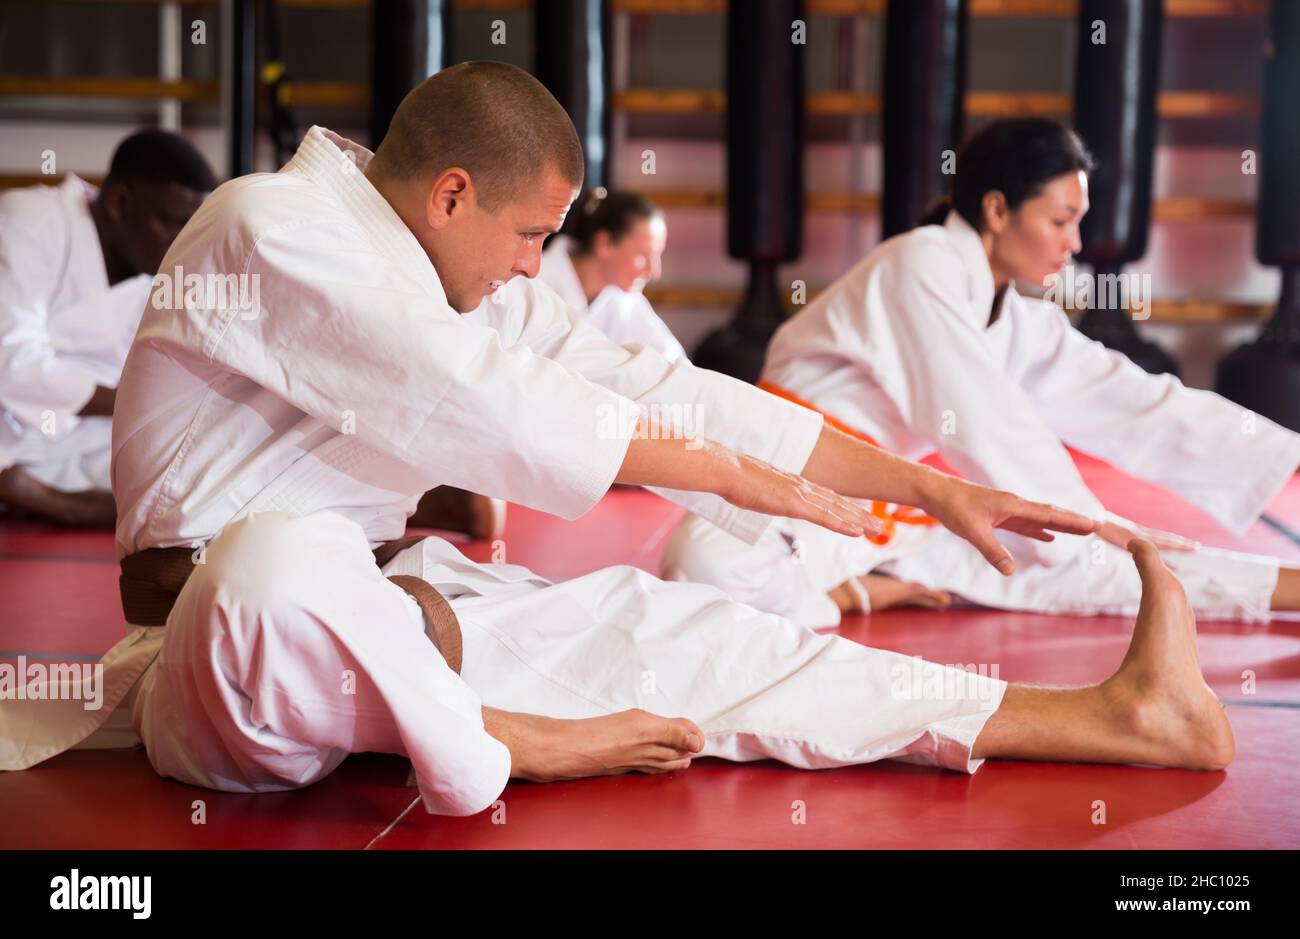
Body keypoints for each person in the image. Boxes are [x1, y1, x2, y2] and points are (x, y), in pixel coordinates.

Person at [0, 67, 1232, 818]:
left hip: (403, 615)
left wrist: (922, 484)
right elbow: (475, 396)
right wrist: (741, 481)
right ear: (451, 196)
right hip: (232, 664)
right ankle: (496, 743)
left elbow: (663, 385)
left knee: (686, 629)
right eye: (534, 237)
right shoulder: (266, 224)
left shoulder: (466, 274)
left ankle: (1102, 718)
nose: (541, 269)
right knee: (268, 567)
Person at [662, 118, 1300, 629]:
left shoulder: (1016, 320)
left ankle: (1291, 589)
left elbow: (1138, 400)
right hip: (795, 495)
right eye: (1060, 220)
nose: (1074, 244)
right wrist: (1088, 518)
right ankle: (853, 592)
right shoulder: (918, 265)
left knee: (1092, 567)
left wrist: (1286, 455)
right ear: (998, 210)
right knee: (703, 567)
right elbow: (983, 421)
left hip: (904, 519)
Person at [0, 129, 214, 527]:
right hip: (9, 410)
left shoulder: (162, 275)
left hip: (68, 433)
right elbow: (10, 361)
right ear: (119, 202)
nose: (182, 243)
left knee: (194, 473)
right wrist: (137, 404)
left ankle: (32, 491)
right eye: (171, 223)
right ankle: (46, 498)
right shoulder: (30, 220)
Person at [533, 188, 685, 362]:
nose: (654, 271)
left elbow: (673, 361)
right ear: (605, 244)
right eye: (643, 255)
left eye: (657, 256)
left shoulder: (624, 300)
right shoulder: (533, 283)